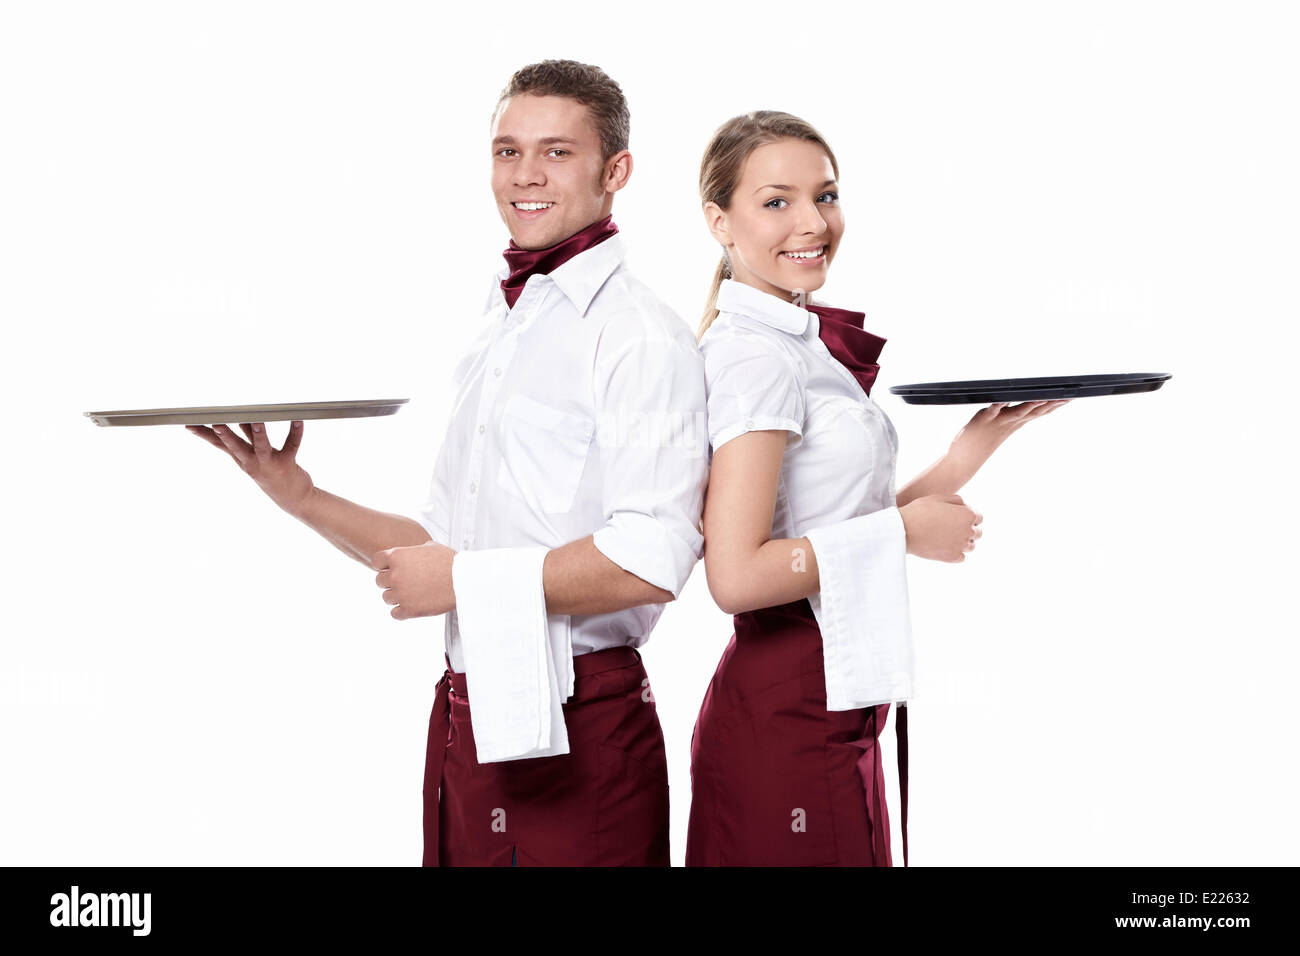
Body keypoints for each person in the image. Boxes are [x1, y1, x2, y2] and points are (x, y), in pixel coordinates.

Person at [186, 60, 708, 866]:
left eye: (556, 152)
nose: (525, 175)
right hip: (471, 717)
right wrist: (298, 494)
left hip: (584, 725)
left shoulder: (640, 334)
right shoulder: (500, 325)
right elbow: (441, 543)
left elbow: (652, 559)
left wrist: (463, 583)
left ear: (616, 172)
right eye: (506, 151)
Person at [684, 111, 1068, 867]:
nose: (812, 222)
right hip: (789, 707)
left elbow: (829, 523)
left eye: (825, 195)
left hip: (827, 697)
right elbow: (736, 576)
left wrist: (966, 456)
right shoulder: (756, 360)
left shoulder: (790, 343)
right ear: (718, 220)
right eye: (776, 201)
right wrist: (902, 535)